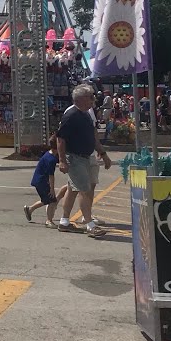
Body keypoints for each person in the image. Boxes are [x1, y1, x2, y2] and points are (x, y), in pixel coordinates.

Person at [54, 85, 112, 237]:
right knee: (84, 191)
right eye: (91, 97)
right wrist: (62, 160)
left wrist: (103, 154)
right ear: (81, 99)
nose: (93, 100)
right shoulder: (71, 115)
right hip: (75, 158)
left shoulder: (86, 115)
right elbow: (60, 139)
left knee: (73, 189)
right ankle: (90, 225)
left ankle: (64, 222)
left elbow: (93, 137)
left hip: (86, 157)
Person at [23, 144, 68, 227]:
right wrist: (52, 189)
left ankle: (29, 209)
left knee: (45, 200)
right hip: (41, 181)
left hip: (39, 180)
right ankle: (49, 221)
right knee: (52, 200)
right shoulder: (51, 160)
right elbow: (51, 176)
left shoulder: (49, 154)